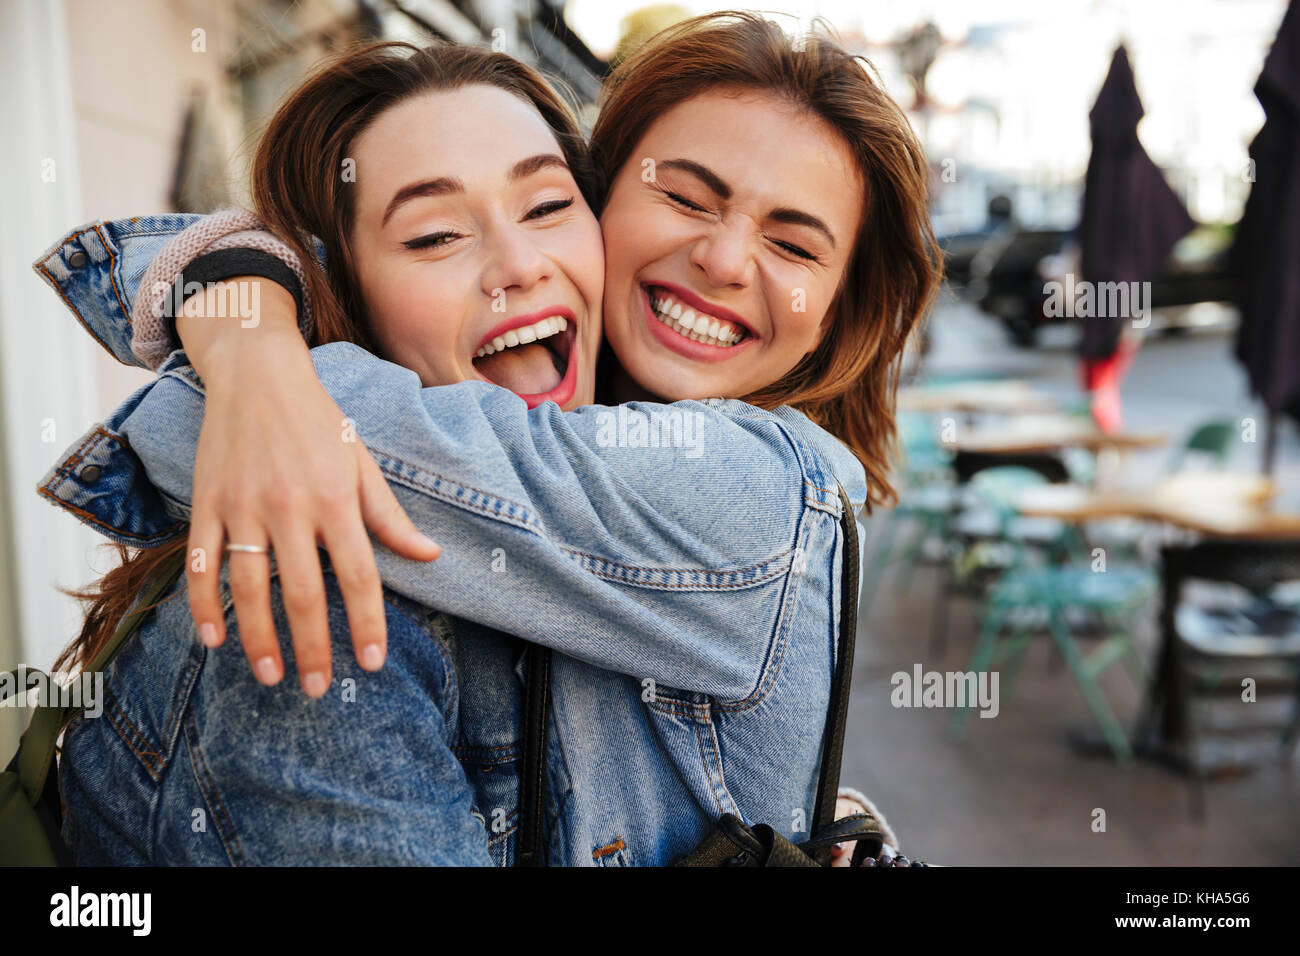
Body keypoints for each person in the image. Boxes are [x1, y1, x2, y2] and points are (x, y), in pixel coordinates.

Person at [39, 13, 937, 865]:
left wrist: (253, 367)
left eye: (544, 208)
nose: (727, 259)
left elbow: (228, 409)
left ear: (834, 313)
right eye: (433, 234)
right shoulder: (301, 624)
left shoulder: (758, 494)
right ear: (609, 205)